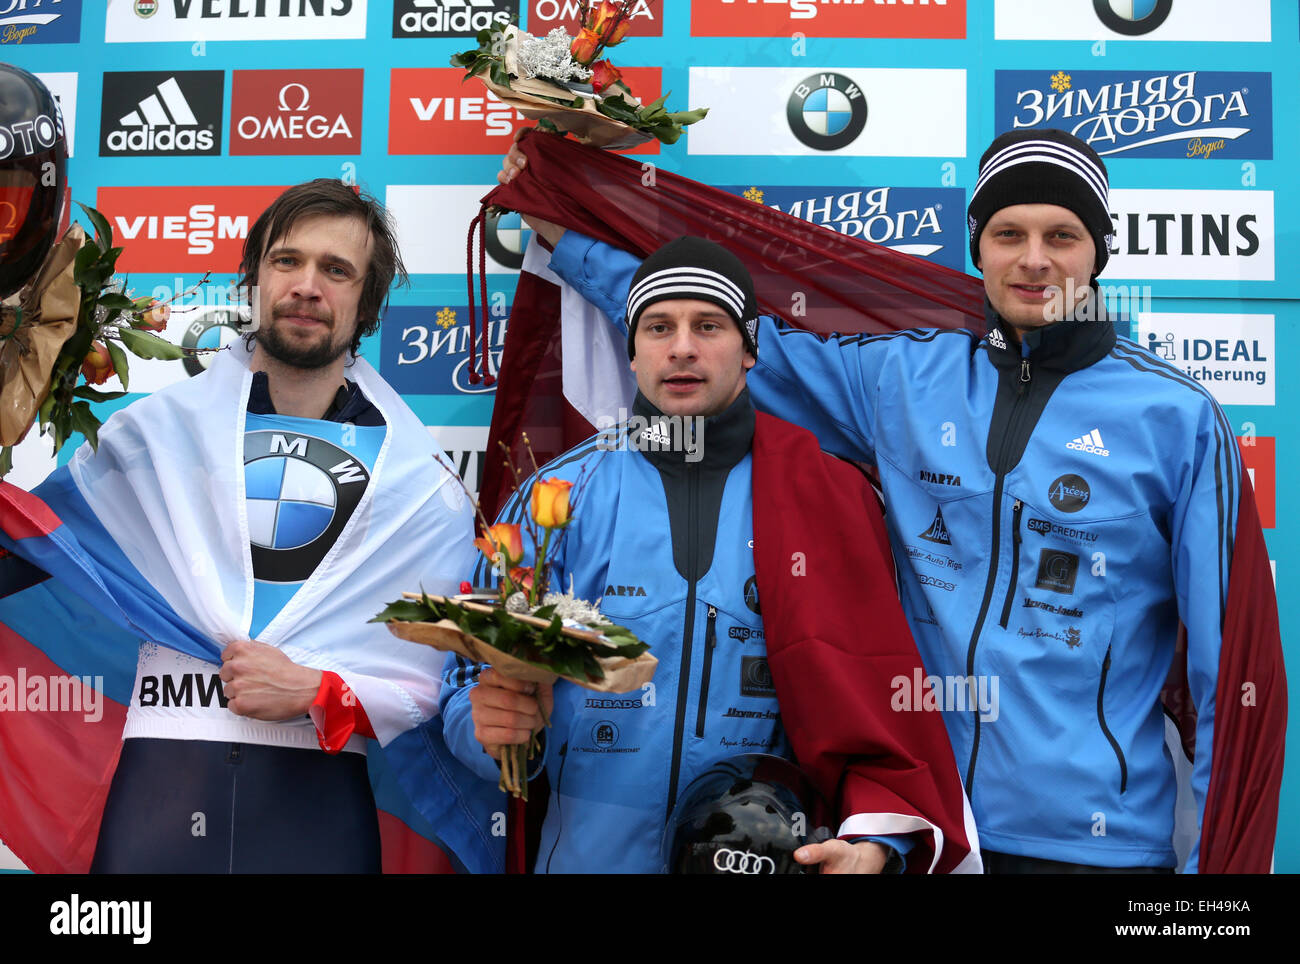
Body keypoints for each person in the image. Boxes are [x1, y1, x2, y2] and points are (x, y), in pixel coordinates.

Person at [497, 128, 1287, 873]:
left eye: (1063, 236)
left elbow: (1235, 673)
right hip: (927, 833)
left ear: (1102, 251)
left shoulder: (1177, 420)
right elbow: (734, 348)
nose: (1035, 261)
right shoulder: (905, 381)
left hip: (1100, 846)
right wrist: (569, 239)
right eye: (1009, 234)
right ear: (977, 245)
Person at [440, 236, 979, 874]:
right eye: (659, 327)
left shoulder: (830, 496)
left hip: (763, 858)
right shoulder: (555, 499)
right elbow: (468, 691)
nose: (683, 348)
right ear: (633, 351)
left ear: (750, 349)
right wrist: (489, 730)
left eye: (710, 326)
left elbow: (877, 694)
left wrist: (876, 842)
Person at [0, 179, 477, 872]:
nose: (307, 286)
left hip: (318, 813)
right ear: (254, 277)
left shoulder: (422, 487)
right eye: (287, 261)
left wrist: (320, 691)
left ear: (366, 300)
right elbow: (27, 555)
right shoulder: (154, 438)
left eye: (336, 270)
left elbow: (443, 680)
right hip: (160, 795)